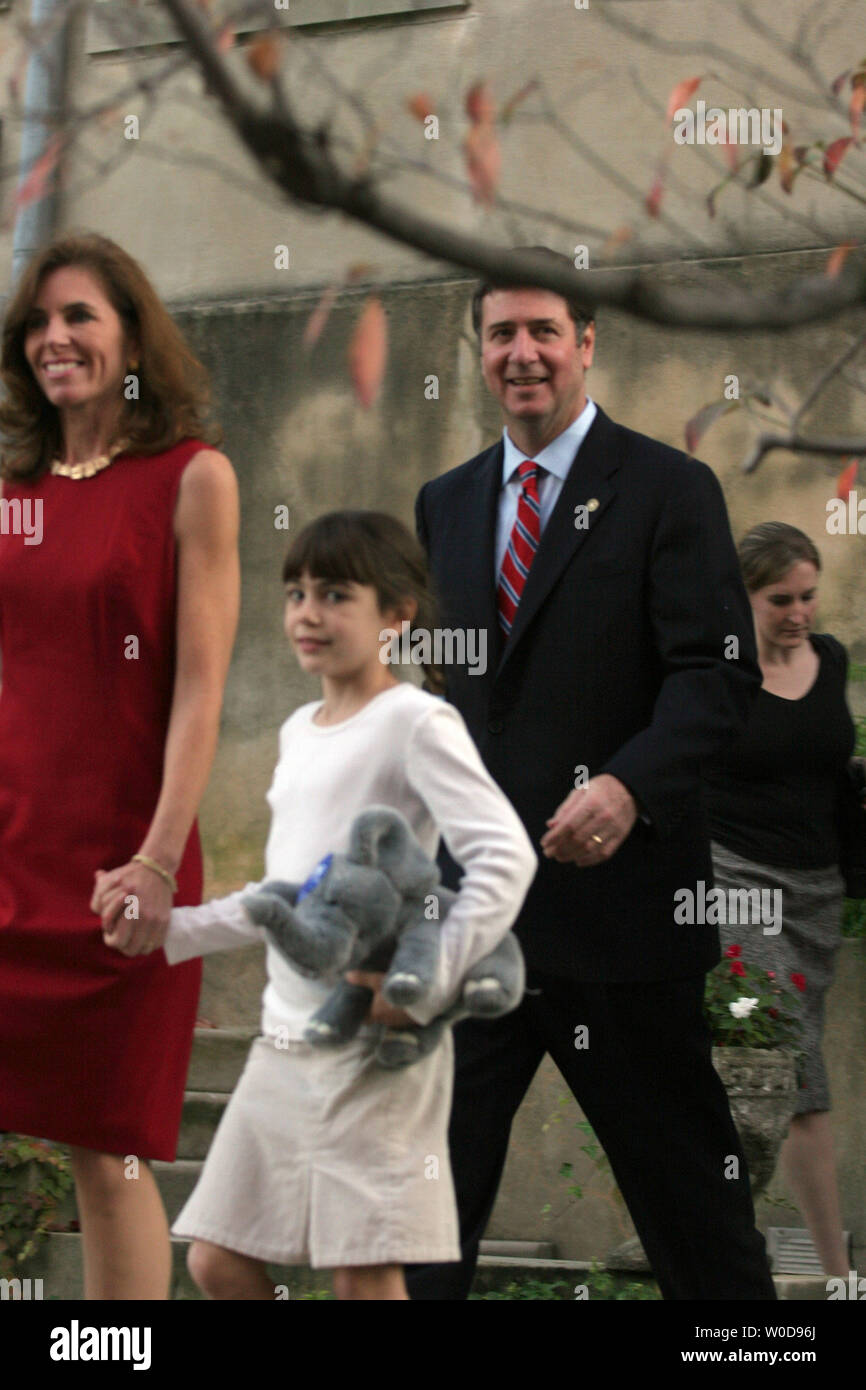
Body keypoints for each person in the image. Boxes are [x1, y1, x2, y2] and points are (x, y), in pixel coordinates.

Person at [405, 249, 778, 1300]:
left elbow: (714, 675)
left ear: (584, 344)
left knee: (693, 1218)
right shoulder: (445, 504)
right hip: (476, 927)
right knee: (421, 1210)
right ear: (477, 353)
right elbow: (449, 701)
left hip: (621, 918)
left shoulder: (667, 488)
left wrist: (625, 785)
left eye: (541, 333)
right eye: (498, 335)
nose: (520, 354)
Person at [98, 510, 537, 1301]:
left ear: (397, 615)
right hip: (282, 1045)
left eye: (336, 594)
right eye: (296, 592)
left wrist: (428, 983)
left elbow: (506, 853)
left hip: (375, 1051)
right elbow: (287, 899)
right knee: (216, 1260)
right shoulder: (299, 729)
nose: (307, 612)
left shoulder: (416, 720)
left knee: (362, 1277)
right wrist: (165, 930)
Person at [0, 232, 240, 1300]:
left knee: (108, 1149)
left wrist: (152, 859)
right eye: (39, 323)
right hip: (9, 842)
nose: (55, 338)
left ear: (132, 336)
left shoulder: (192, 480)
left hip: (118, 865)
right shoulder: (13, 492)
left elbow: (200, 686)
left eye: (80, 316)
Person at [703, 522, 866, 1278]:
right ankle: (720, 1240)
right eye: (780, 600)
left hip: (817, 891)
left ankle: (830, 1272)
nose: (799, 612)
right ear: (743, 598)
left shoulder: (829, 663)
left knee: (794, 1082)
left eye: (808, 595)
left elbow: (830, 771)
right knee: (779, 1066)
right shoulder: (713, 673)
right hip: (736, 880)